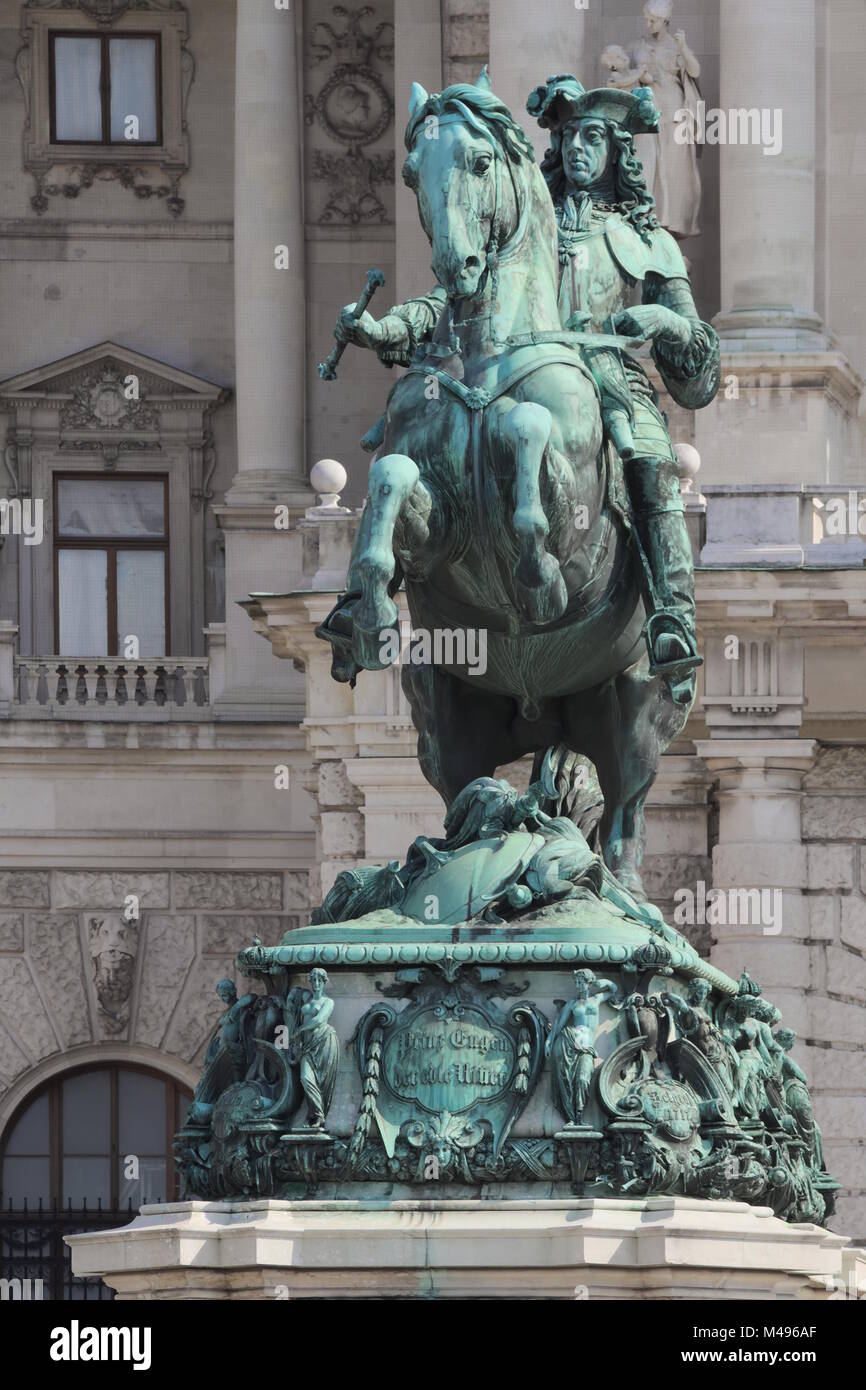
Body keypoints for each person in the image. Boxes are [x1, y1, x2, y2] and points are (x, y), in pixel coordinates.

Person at [333, 73, 719, 682]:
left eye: (592, 136)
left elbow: (700, 370)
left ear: (617, 149)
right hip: (500, 370)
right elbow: (448, 300)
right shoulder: (517, 217)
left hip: (608, 383)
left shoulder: (648, 242)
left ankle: (671, 614)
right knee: (416, 442)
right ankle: (369, 590)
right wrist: (387, 330)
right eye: (566, 136)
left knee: (650, 463)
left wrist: (661, 321)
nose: (576, 149)